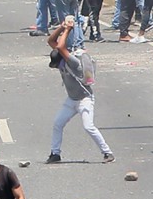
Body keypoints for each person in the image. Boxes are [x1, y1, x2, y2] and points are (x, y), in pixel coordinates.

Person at [47, 17, 114, 164]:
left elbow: (60, 47)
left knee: (88, 127)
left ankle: (107, 152)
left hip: (85, 99)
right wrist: (61, 27)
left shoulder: (73, 62)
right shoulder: (62, 60)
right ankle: (55, 153)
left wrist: (68, 30)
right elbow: (51, 41)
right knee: (58, 123)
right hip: (71, 99)